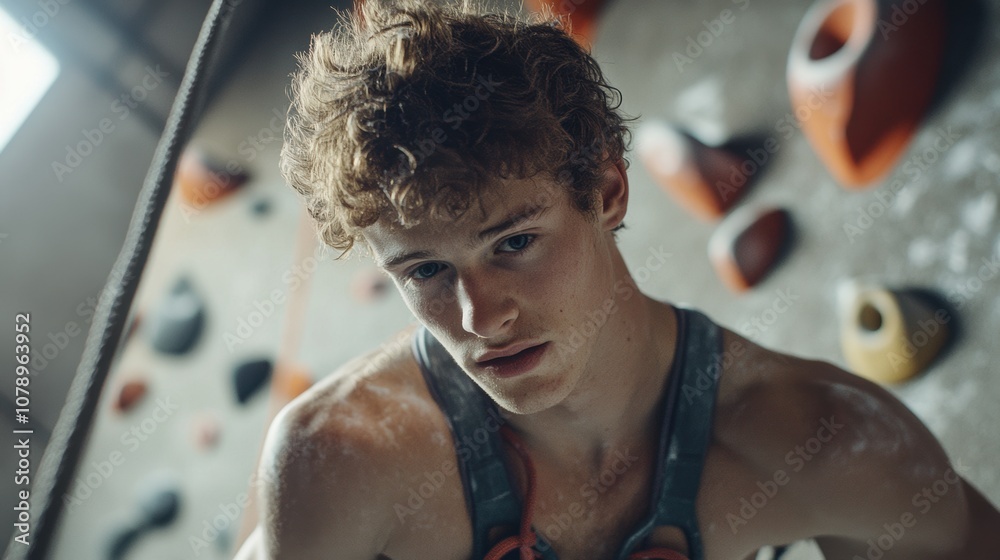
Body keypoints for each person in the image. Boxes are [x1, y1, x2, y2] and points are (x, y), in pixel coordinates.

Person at [234, 1, 1000, 558]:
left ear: (607, 191)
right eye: (427, 269)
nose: (479, 316)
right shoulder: (337, 467)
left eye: (515, 242)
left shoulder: (824, 444)